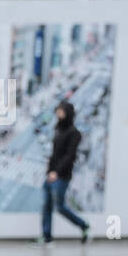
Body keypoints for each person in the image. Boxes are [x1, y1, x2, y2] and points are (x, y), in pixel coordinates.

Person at [39, 100, 90, 244]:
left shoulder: (74, 133)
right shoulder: (58, 129)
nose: (58, 113)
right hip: (51, 173)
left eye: (60, 111)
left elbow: (69, 156)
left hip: (62, 175)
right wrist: (49, 170)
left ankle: (83, 225)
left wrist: (56, 172)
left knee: (60, 207)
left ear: (67, 112)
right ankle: (46, 237)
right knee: (46, 206)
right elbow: (54, 153)